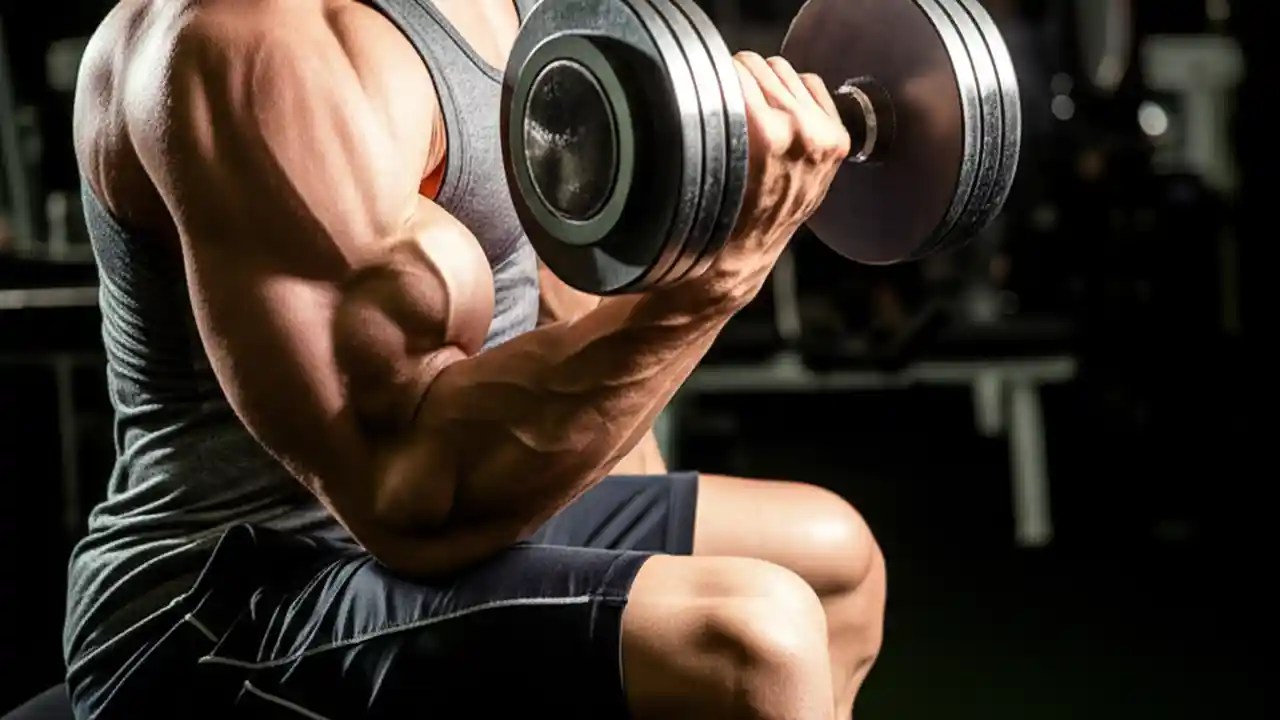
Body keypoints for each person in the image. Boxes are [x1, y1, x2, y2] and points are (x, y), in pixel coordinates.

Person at [64, 0, 886, 718]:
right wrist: (722, 275)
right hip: (224, 611)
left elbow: (569, 334)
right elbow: (407, 497)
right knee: (753, 637)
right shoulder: (257, 41)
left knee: (829, 560)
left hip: (428, 520)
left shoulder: (521, 11)